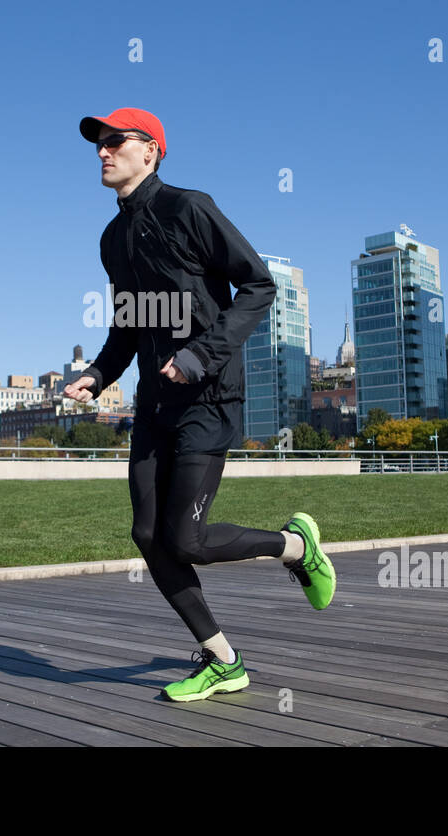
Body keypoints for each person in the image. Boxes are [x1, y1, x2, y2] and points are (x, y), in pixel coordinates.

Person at [65, 107, 336, 702]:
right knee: (147, 534)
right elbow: (127, 327)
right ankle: (223, 660)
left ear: (151, 151)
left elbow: (259, 284)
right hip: (154, 405)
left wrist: (199, 356)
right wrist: (97, 374)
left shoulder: (190, 207)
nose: (103, 151)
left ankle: (295, 546)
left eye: (116, 141)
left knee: (185, 542)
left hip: (208, 397)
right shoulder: (113, 238)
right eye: (98, 144)